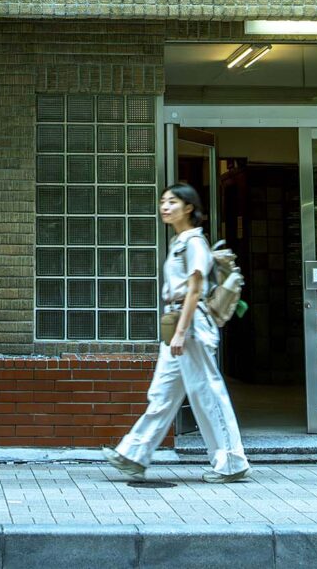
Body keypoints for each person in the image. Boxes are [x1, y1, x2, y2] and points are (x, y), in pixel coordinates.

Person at [102, 182, 251, 482]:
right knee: (163, 394)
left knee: (207, 392)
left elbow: (194, 290)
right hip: (179, 323)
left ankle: (232, 462)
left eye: (172, 202)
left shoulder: (194, 242)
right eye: (163, 202)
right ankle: (134, 454)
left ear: (189, 207)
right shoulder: (180, 241)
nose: (164, 207)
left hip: (191, 323)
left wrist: (181, 333)